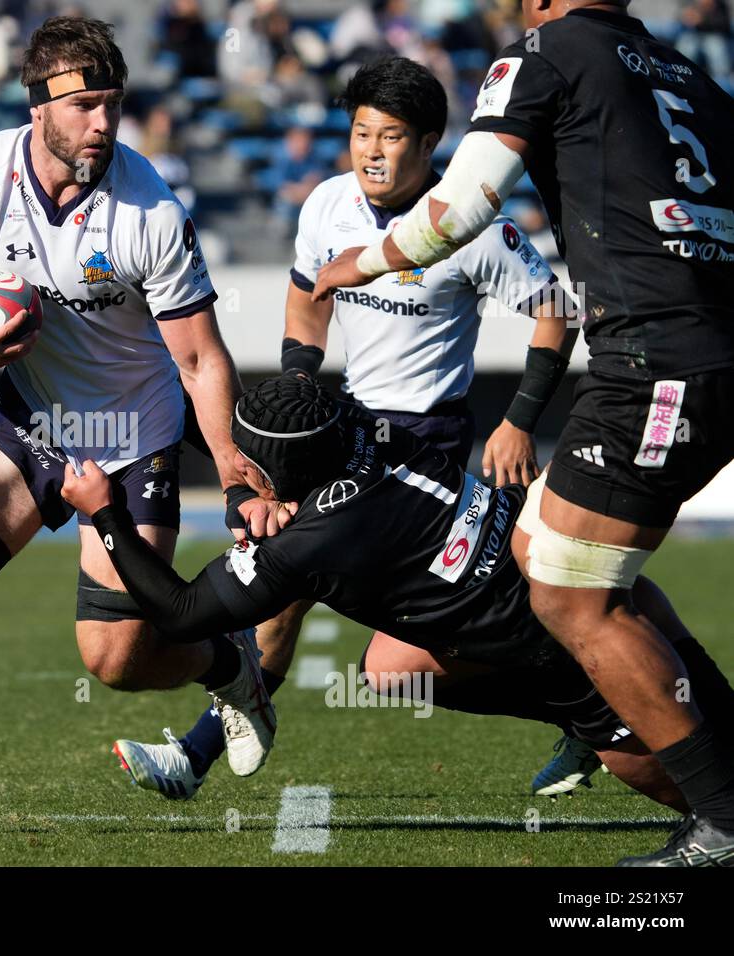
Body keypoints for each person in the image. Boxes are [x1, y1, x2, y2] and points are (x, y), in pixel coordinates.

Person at [0, 16, 282, 838]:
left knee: (115, 660)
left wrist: (234, 470)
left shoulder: (151, 210)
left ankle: (228, 663)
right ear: (37, 106)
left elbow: (202, 361)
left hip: (134, 435)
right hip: (29, 418)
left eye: (113, 104)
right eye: (85, 107)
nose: (104, 124)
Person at [312, 0, 734, 865]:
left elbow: (457, 209)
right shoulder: (689, 72)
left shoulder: (543, 52)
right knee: (546, 545)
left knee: (568, 593)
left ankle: (723, 818)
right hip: (692, 349)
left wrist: (366, 259)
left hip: (654, 360)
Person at [119, 55, 580, 804]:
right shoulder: (327, 203)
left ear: (430, 144)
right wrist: (300, 379)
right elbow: (307, 301)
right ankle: (206, 748)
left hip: (423, 445)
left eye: (390, 135)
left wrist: (519, 424)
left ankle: (584, 702)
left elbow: (557, 313)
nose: (370, 148)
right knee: (288, 576)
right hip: (347, 426)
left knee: (407, 646)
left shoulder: (474, 230)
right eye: (360, 131)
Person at [62, 374, 734, 835]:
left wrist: (106, 515)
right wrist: (269, 493)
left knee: (707, 796)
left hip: (551, 643)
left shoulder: (310, 545)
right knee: (389, 669)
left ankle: (612, 735)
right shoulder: (360, 427)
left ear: (274, 473)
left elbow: (179, 614)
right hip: (554, 567)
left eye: (247, 462)